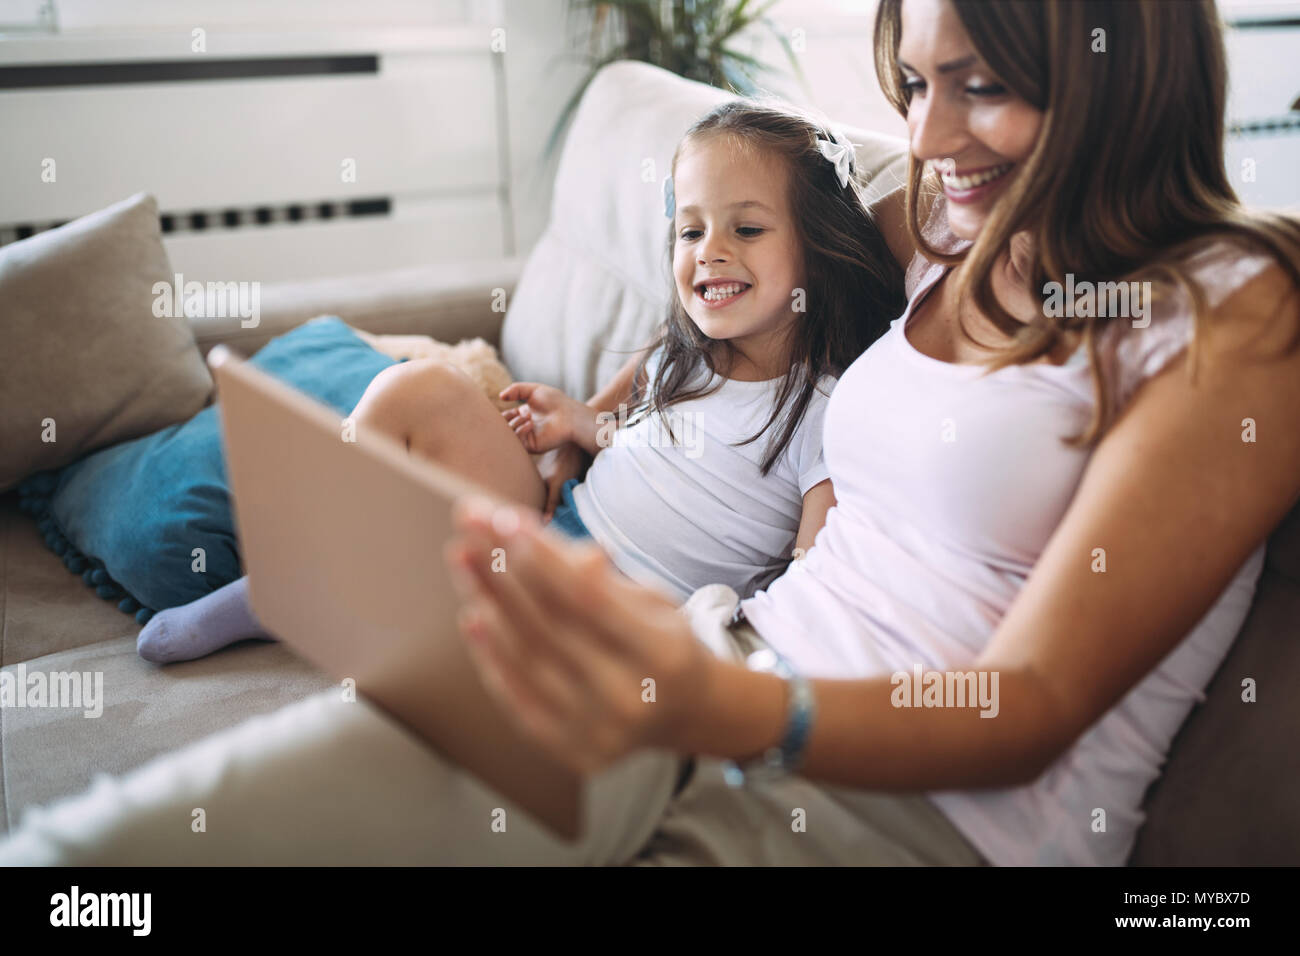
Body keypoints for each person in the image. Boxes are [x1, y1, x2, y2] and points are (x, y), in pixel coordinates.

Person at [2, 0, 1298, 866]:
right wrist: (572, 415)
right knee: (177, 840)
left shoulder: (1234, 310)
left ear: (1126, 72)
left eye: (986, 87)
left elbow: (1032, 706)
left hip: (910, 817)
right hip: (714, 668)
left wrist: (724, 703)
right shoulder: (957, 231)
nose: (928, 137)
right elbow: (734, 257)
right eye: (910, 84)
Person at [132, 101, 906, 664]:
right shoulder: (683, 353)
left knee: (455, 589)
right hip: (550, 521)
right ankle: (284, 585)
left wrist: (727, 640)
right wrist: (574, 433)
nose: (709, 252)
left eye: (746, 228)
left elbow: (814, 582)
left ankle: (393, 600)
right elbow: (621, 421)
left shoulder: (829, 411)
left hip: (615, 608)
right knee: (422, 391)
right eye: (691, 229)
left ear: (818, 249)